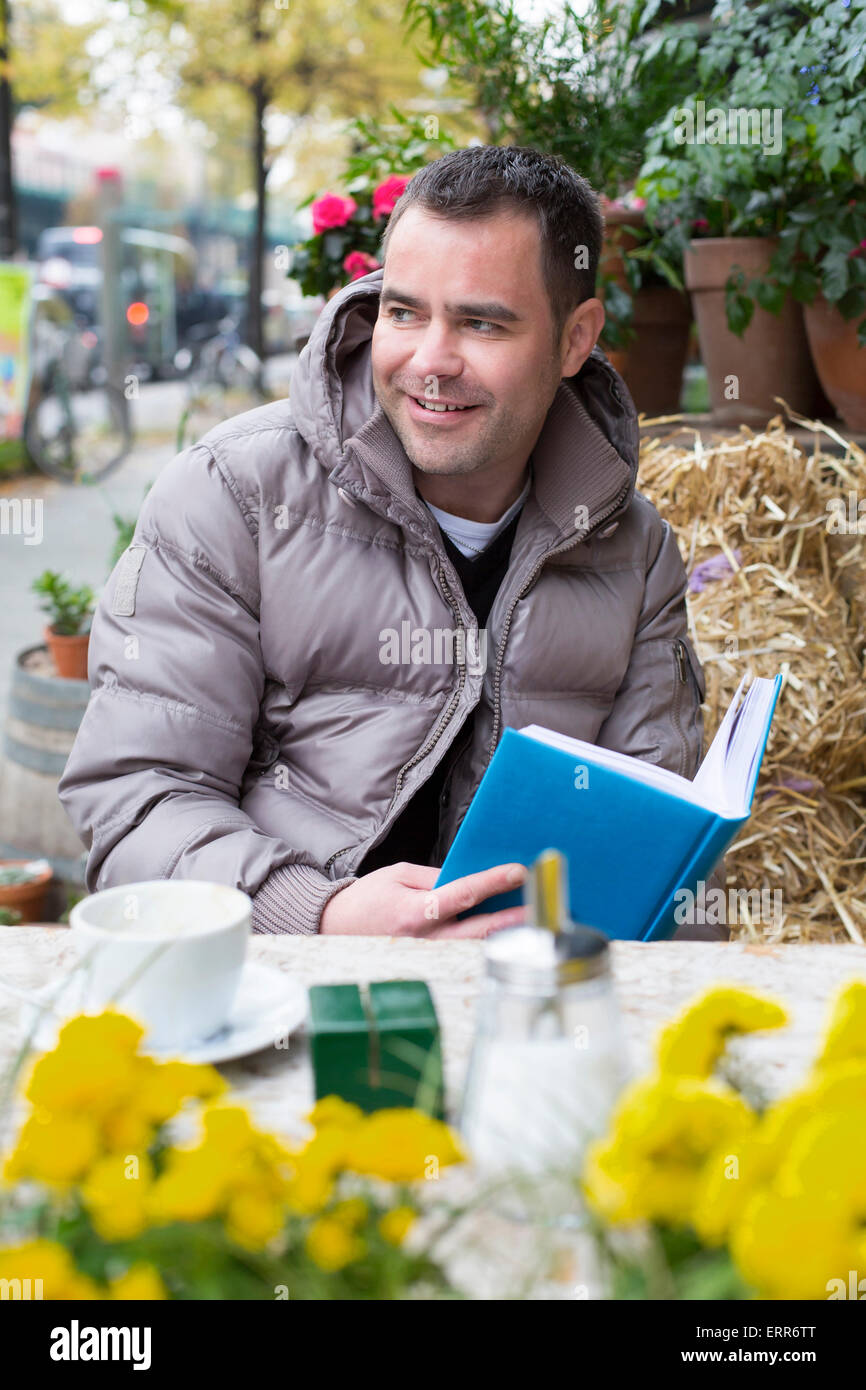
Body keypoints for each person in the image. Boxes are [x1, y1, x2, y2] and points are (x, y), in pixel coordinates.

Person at [58, 145, 726, 941]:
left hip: (523, 1002)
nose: (430, 362)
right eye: (404, 313)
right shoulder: (230, 495)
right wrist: (322, 913)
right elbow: (134, 800)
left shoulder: (635, 552)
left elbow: (656, 851)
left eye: (482, 323)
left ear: (576, 339)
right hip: (279, 987)